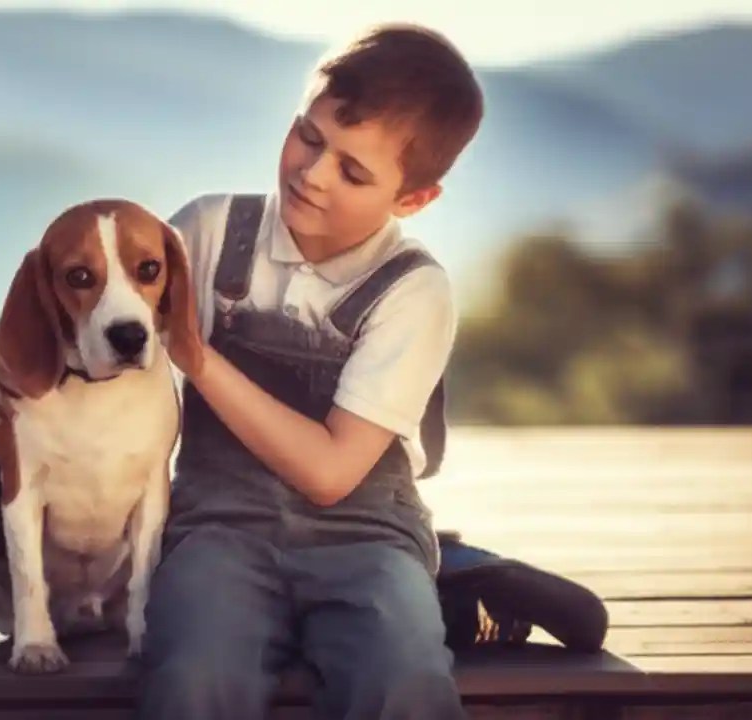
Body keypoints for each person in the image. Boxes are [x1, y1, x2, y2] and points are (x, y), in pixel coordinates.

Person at [137, 22, 482, 720]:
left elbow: (330, 473)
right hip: (218, 532)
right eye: (308, 136)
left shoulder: (413, 290)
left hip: (366, 539)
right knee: (193, 677)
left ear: (413, 200)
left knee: (403, 678)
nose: (313, 173)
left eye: (354, 171)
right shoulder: (205, 232)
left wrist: (198, 360)